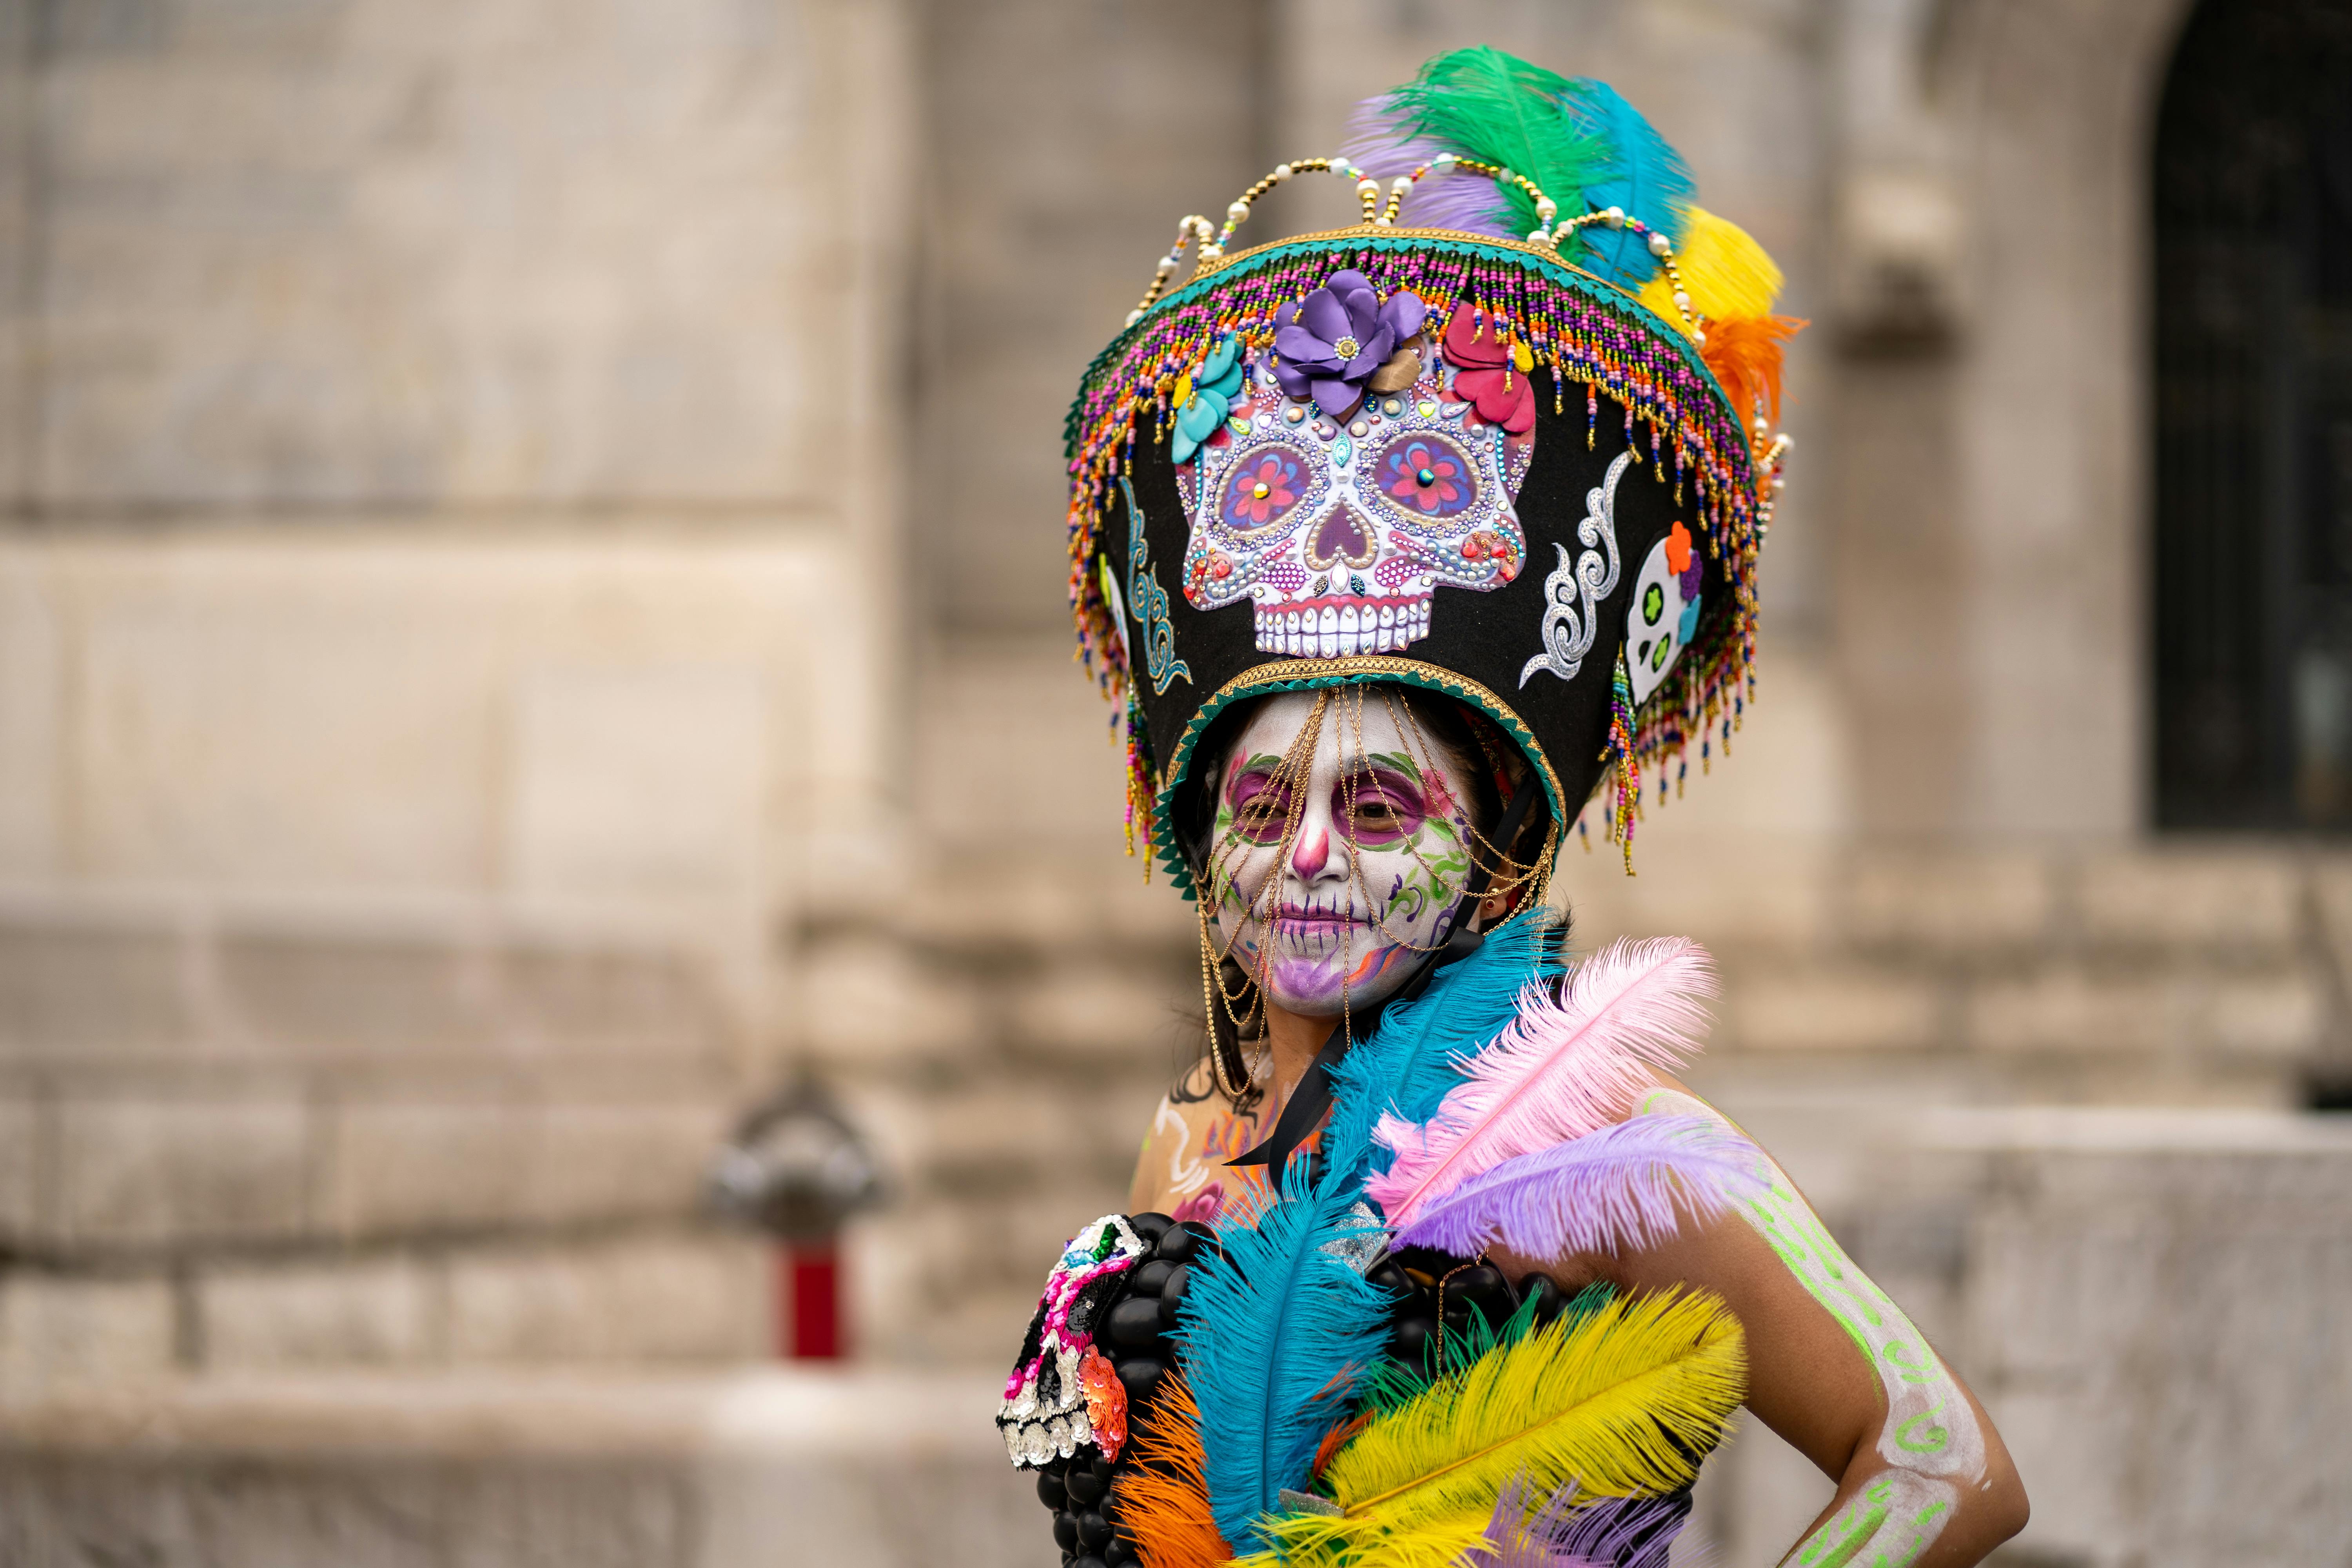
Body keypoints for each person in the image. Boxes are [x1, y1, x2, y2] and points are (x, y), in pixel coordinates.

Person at [999, 46, 2028, 1568]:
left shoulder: (1625, 1148)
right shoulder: (1189, 1149)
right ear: (1195, 835)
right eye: (1265, 796)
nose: (1306, 857)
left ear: (1485, 852)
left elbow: (1944, 1467)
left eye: (1377, 803)